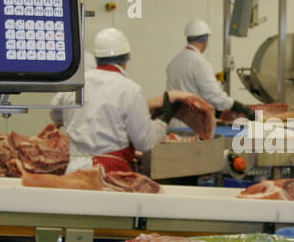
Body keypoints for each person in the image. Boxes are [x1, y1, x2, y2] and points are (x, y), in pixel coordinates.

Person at [49, 28, 193, 174]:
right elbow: (145, 142)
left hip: (75, 170)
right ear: (127, 58)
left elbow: (56, 114)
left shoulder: (76, 84)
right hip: (109, 172)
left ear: (96, 57)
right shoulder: (129, 89)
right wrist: (164, 119)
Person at [165, 19, 256, 123]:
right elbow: (213, 95)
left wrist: (219, 113)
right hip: (194, 123)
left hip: (175, 121)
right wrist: (242, 108)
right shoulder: (200, 64)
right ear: (205, 39)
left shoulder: (174, 63)